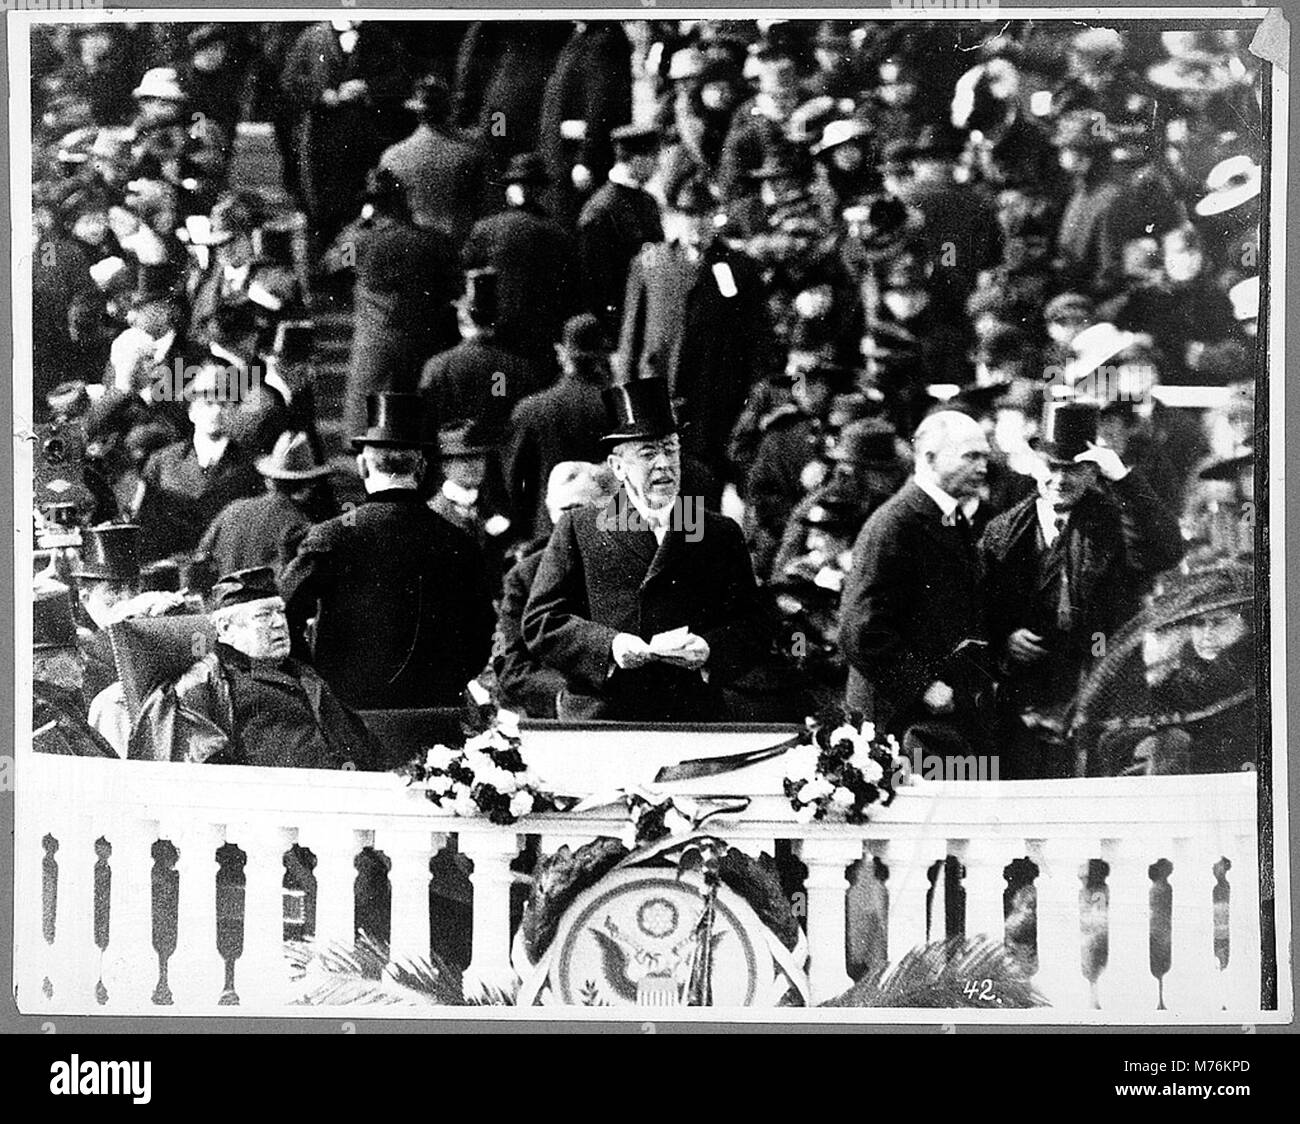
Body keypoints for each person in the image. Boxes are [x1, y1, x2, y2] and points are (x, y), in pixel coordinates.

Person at [522, 378, 769, 721]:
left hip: (690, 718)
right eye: (649, 453)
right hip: (604, 718)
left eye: (671, 448)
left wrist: (711, 649)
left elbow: (754, 623)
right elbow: (541, 622)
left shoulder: (717, 531)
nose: (664, 464)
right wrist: (610, 647)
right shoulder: (581, 527)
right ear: (617, 467)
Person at [977, 399, 1187, 778]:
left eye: (1074, 470)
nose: (1060, 480)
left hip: (1102, 676)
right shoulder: (1004, 529)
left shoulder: (1114, 520)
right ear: (1036, 466)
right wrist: (1005, 636)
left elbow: (1165, 551)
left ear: (1093, 472)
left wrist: (1124, 479)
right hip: (1031, 687)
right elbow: (981, 602)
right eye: (1052, 468)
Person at [280, 393, 494, 710]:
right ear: (420, 467)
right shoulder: (458, 541)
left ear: (363, 466)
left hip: (348, 713)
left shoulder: (330, 537)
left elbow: (283, 614)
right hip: (435, 714)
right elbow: (482, 631)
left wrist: (316, 677)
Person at [838, 410, 994, 755]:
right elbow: (860, 631)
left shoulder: (948, 516)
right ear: (928, 458)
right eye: (971, 456)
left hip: (930, 716)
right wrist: (922, 686)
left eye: (985, 456)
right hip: (896, 720)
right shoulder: (896, 525)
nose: (983, 467)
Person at [129, 567, 381, 769]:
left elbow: (363, 743)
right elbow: (203, 765)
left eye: (280, 612)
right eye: (263, 615)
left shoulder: (303, 673)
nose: (279, 623)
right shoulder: (210, 680)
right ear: (225, 629)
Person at [618, 177, 772, 485]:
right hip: (660, 402)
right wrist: (628, 405)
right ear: (675, 217)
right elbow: (631, 341)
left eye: (704, 215)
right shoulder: (651, 263)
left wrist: (752, 403)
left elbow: (758, 342)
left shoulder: (740, 267)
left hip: (715, 407)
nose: (696, 224)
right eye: (688, 215)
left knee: (704, 496)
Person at [487, 461, 616, 717]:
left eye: (578, 509)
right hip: (560, 718)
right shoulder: (524, 576)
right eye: (560, 511)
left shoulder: (629, 564)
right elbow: (508, 665)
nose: (566, 522)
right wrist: (569, 698)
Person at [343, 167, 460, 440]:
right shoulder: (433, 241)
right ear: (403, 201)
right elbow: (453, 287)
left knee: (371, 442)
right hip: (421, 350)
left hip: (373, 354)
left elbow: (331, 266)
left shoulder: (359, 242)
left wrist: (359, 224)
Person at [461, 151, 582, 365]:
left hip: (495, 335)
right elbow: (571, 294)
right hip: (539, 340)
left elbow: (467, 279)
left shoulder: (485, 230)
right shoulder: (557, 234)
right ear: (542, 190)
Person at [135, 363, 264, 562]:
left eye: (225, 403)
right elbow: (144, 527)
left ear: (235, 412)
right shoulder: (161, 462)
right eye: (208, 403)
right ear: (191, 412)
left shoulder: (249, 466)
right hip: (171, 572)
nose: (217, 411)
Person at [503, 312, 614, 540]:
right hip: (609, 531)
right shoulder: (620, 407)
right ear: (604, 354)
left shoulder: (532, 410)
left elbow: (514, 486)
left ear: (561, 353)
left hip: (548, 534)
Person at [418, 268, 547, 432]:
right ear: (497, 316)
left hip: (450, 454)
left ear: (463, 316)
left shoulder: (437, 367)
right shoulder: (516, 368)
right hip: (501, 454)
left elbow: (425, 423)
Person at [196, 429, 336, 581]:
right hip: (271, 603)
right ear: (308, 486)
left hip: (224, 601)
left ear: (268, 481)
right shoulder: (299, 525)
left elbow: (199, 560)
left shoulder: (231, 511)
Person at [379, 73, 495, 248]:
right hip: (455, 244)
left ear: (417, 112)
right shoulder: (470, 154)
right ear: (449, 109)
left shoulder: (392, 156)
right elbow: (486, 208)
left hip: (409, 247)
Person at [577, 123, 664, 333]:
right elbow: (596, 281)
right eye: (654, 159)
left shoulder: (647, 202)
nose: (657, 167)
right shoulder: (600, 210)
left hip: (644, 314)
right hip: (617, 323)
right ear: (637, 160)